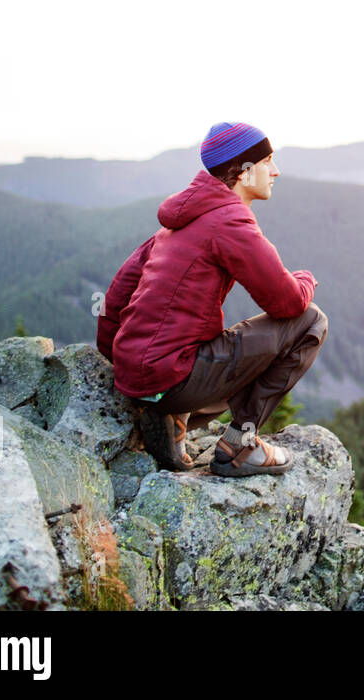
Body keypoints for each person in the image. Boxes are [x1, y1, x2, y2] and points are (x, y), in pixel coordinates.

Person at [96, 121, 327, 477]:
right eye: (267, 161)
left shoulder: (175, 223)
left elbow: (116, 298)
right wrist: (306, 278)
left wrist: (130, 373)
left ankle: (168, 414)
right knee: (311, 321)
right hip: (172, 377)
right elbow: (288, 302)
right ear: (244, 171)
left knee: (219, 343)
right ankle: (239, 445)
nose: (276, 171)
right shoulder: (229, 221)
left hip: (140, 377)